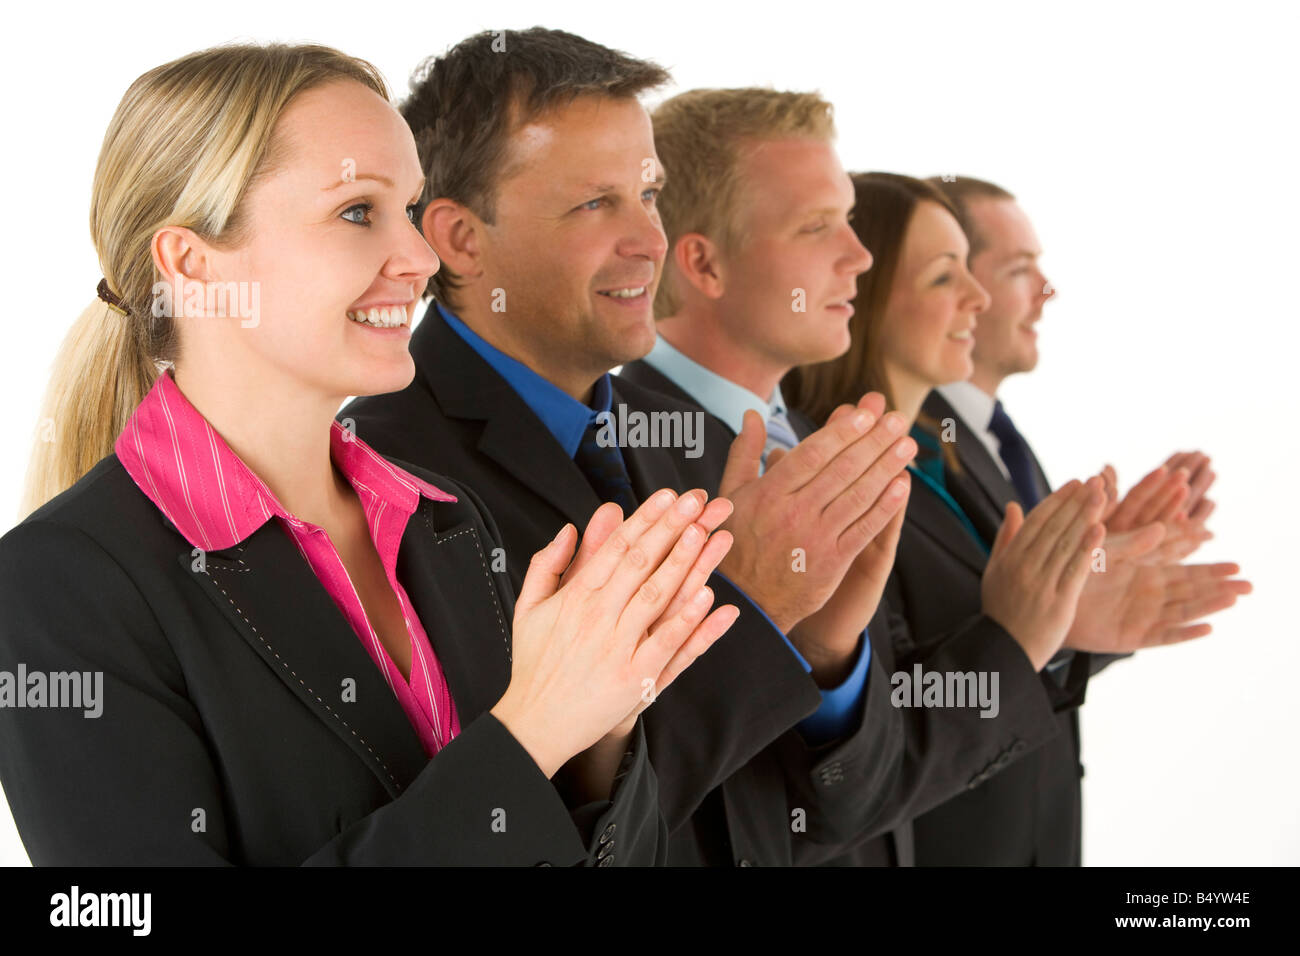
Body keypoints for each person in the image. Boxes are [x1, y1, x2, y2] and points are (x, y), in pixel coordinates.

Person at [0, 43, 739, 866]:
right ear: (191, 263)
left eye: (411, 208)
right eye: (358, 212)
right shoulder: (58, 586)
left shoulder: (448, 519)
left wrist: (597, 730)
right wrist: (529, 733)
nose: (420, 259)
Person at [343, 28, 927, 866]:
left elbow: (836, 817)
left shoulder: (701, 438)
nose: (650, 240)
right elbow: (529, 828)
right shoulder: (381, 479)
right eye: (595, 204)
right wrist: (752, 610)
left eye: (647, 193)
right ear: (460, 240)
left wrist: (826, 649)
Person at [620, 88, 1116, 865]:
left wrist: (836, 661)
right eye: (818, 227)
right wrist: (1014, 639)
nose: (857, 257)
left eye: (851, 220)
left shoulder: (826, 447)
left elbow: (867, 778)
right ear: (705, 263)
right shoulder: (616, 457)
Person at [785, 172, 1251, 864]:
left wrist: (1073, 596)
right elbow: (881, 717)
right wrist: (1031, 627)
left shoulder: (949, 445)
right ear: (866, 291)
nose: (974, 297)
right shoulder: (819, 467)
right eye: (948, 277)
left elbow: (994, 631)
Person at [925, 174, 1217, 573]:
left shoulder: (997, 437)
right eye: (1018, 270)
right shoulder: (921, 441)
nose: (1048, 290)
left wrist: (1090, 564)